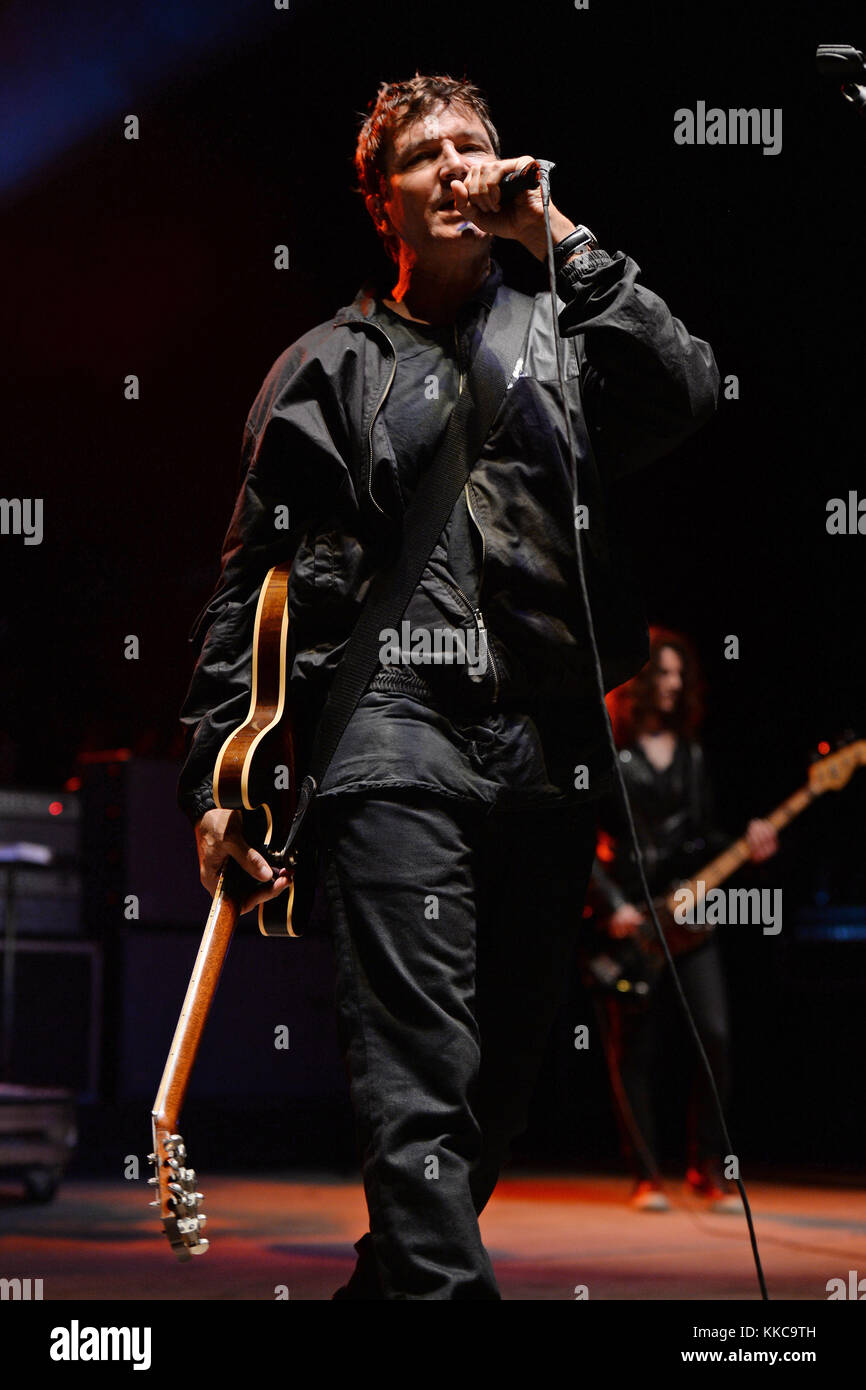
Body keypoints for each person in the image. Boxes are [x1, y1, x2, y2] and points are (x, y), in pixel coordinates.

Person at [176, 74, 720, 1298]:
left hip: (538, 751)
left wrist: (560, 238)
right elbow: (243, 591)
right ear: (382, 202)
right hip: (389, 746)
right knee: (418, 1089)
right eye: (426, 155)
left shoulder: (558, 337)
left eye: (475, 146)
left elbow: (683, 391)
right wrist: (216, 785)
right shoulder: (323, 365)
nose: (459, 167)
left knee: (484, 1112)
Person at [588, 629, 778, 1213]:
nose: (673, 685)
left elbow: (700, 836)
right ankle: (646, 1175)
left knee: (715, 1035)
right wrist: (611, 904)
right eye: (662, 674)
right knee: (635, 1050)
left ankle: (710, 1168)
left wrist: (748, 842)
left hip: (690, 913)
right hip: (629, 918)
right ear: (641, 681)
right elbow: (579, 840)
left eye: (679, 674)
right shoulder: (609, 750)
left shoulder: (692, 754)